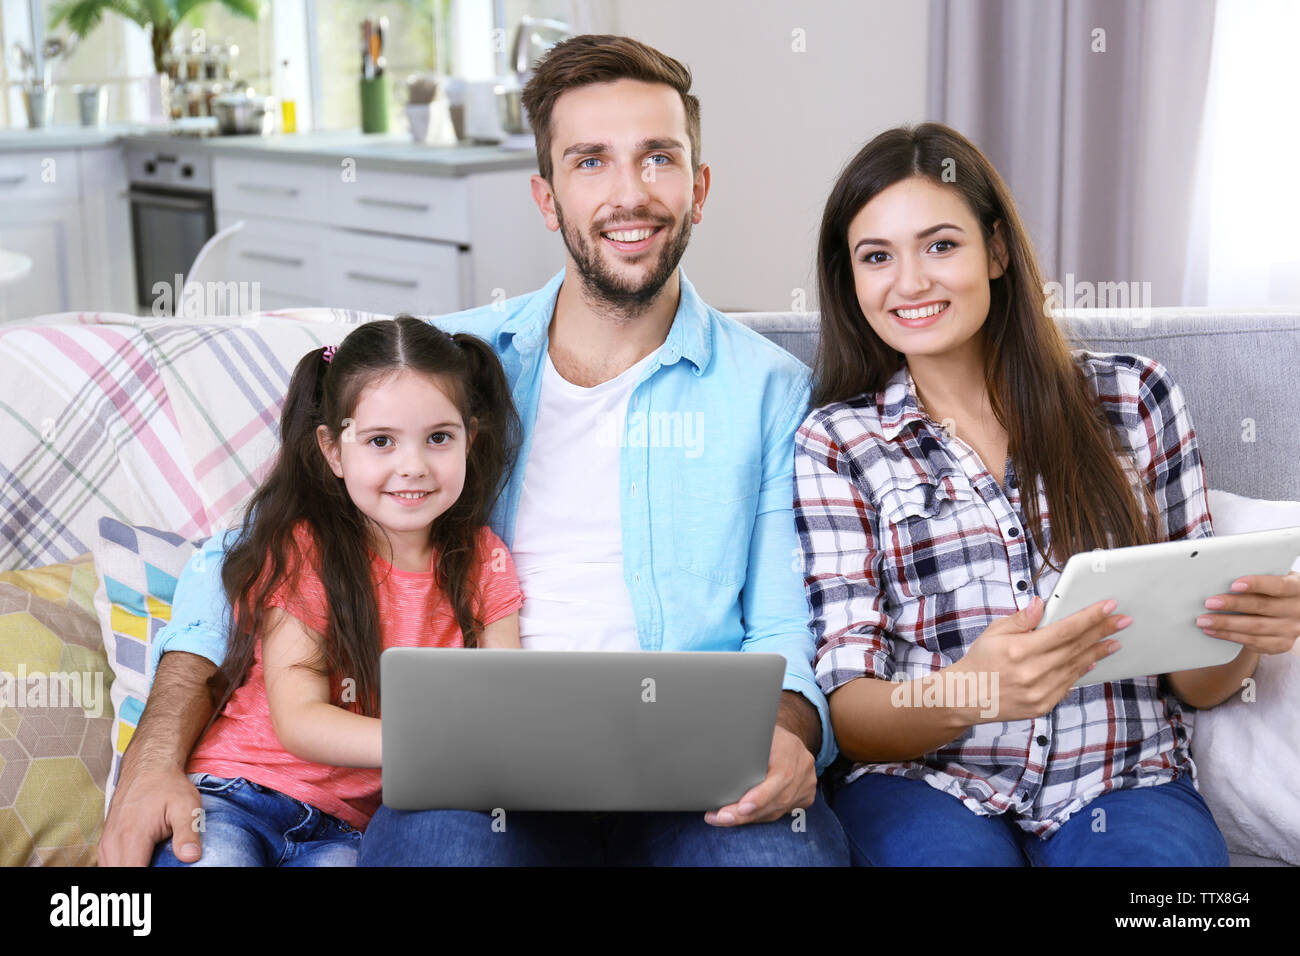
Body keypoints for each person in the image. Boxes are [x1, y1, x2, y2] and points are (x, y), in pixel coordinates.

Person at [99, 35, 849, 867]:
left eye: (659, 158)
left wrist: (789, 733)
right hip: (482, 777)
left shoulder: (772, 391)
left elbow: (783, 630)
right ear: (545, 194)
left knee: (772, 860)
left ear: (699, 187)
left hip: (693, 778)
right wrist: (153, 762)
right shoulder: (445, 371)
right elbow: (236, 554)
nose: (630, 194)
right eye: (591, 161)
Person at [794, 122, 1300, 866]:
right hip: (924, 783)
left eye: (940, 245)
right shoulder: (838, 443)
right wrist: (971, 691)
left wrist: (1245, 634)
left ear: (996, 251)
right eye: (877, 257)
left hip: (1123, 780)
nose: (910, 282)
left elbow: (1199, 685)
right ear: (851, 280)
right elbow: (854, 713)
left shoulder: (1133, 399)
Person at [151, 317, 524, 866]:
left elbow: (508, 699)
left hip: (352, 832)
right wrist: (435, 745)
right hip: (237, 795)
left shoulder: (486, 561)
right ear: (332, 451)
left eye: (439, 438)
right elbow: (299, 719)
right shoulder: (307, 548)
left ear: (472, 436)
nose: (413, 467)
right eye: (380, 442)